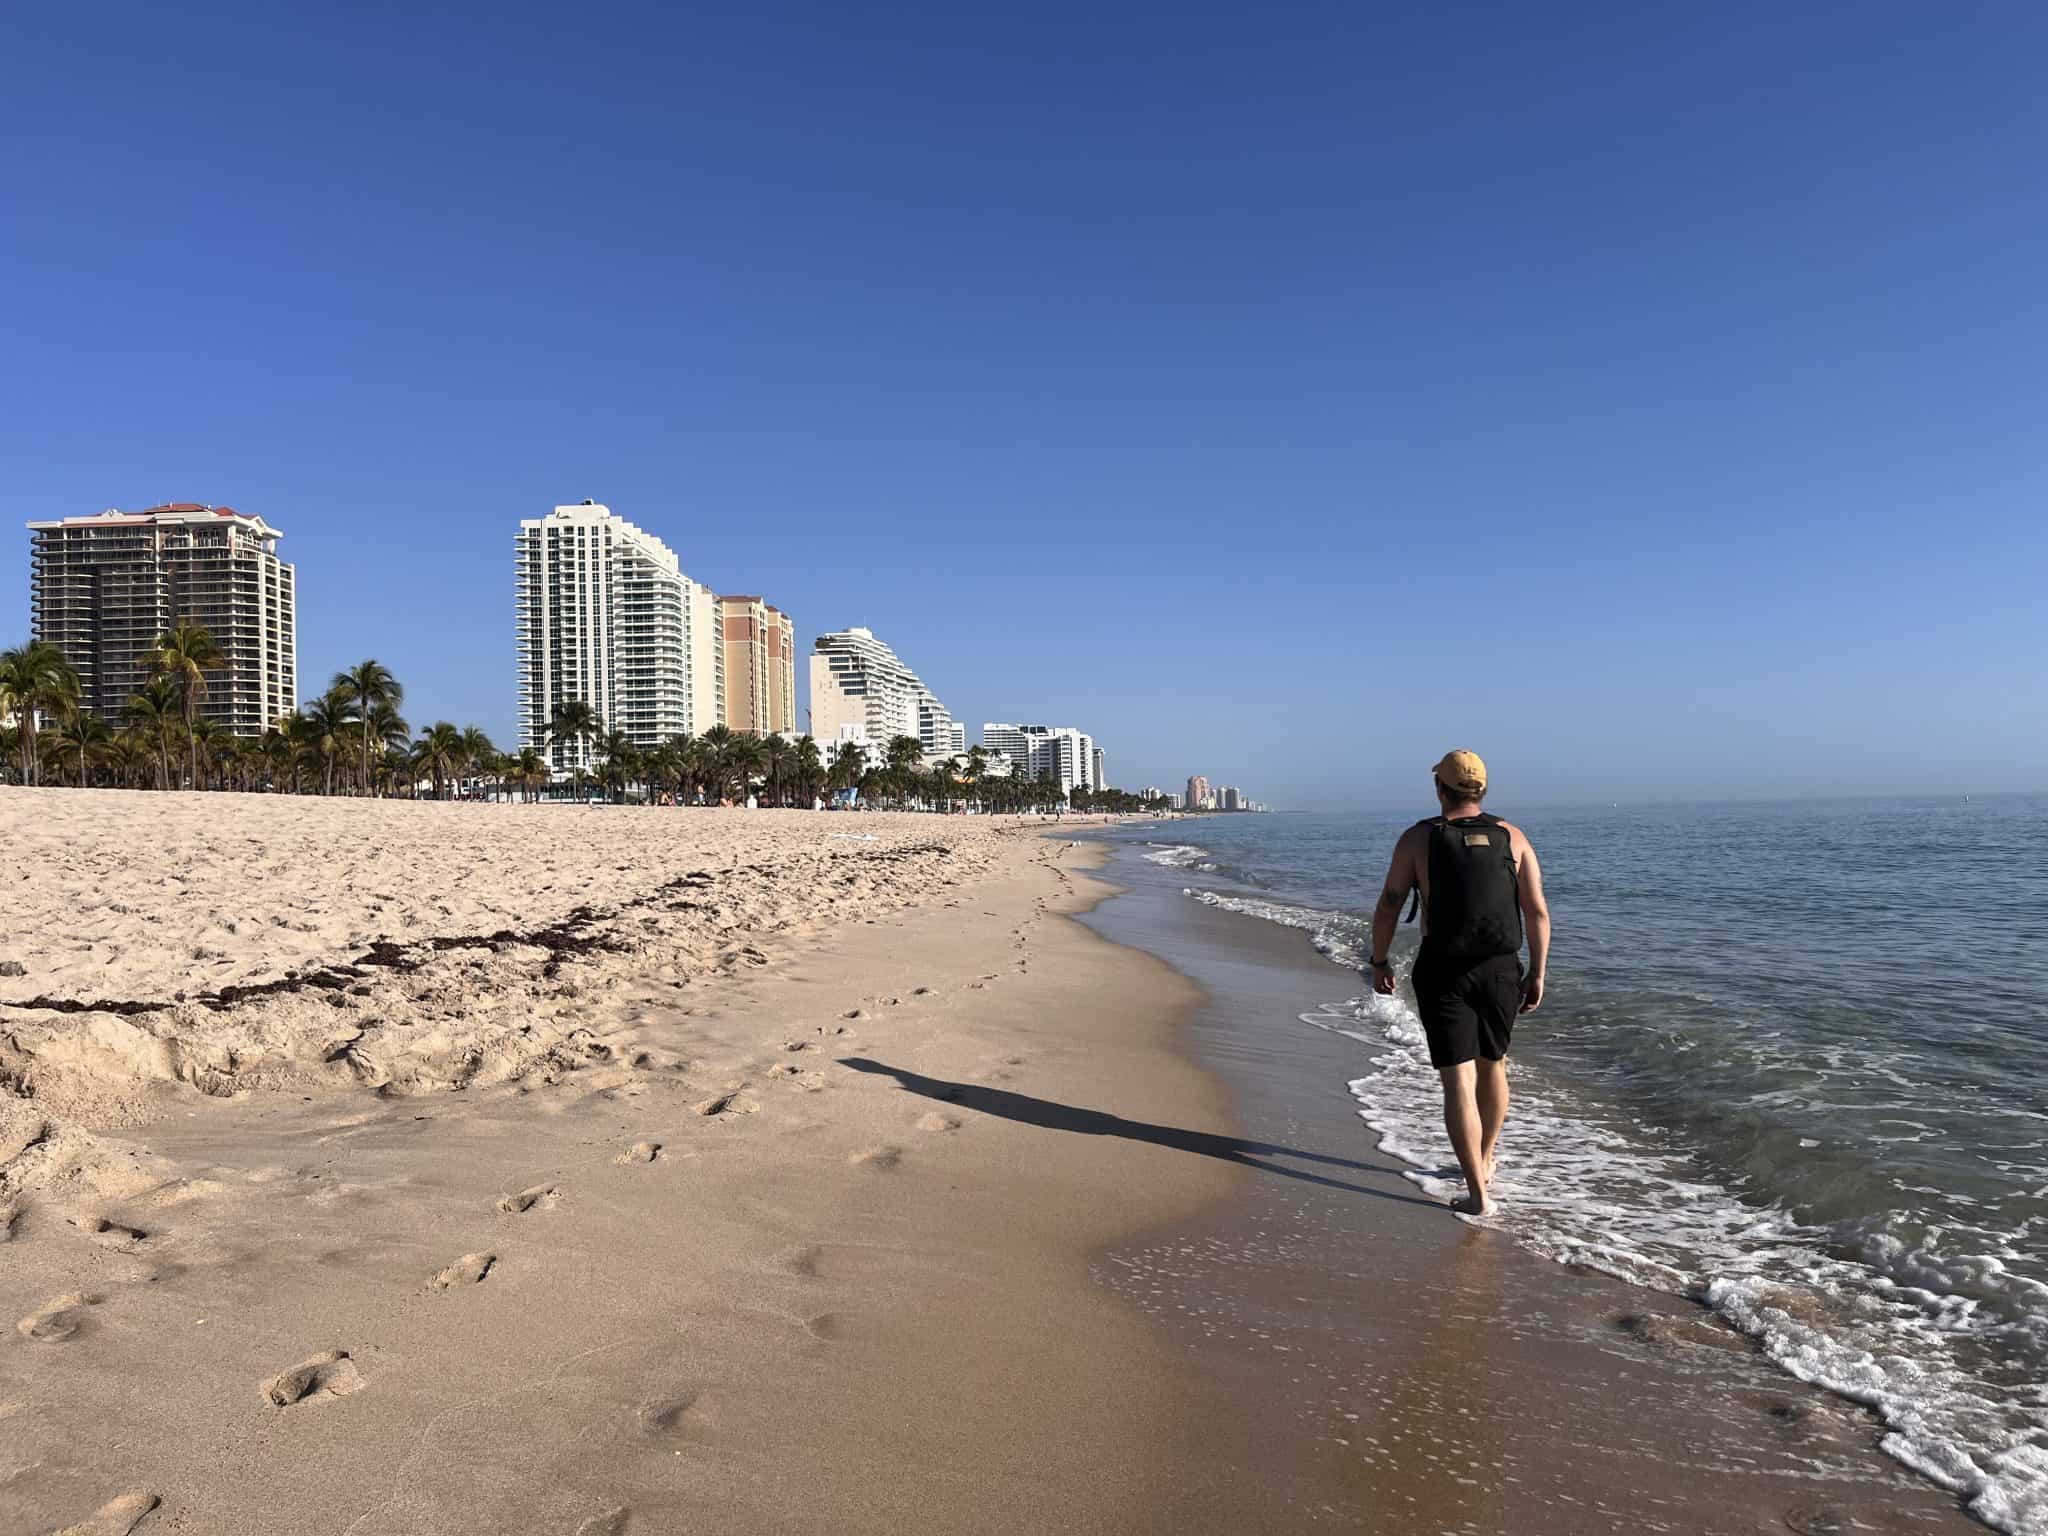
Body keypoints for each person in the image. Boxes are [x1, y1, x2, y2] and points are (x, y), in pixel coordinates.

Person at [1369, 750, 1549, 1216]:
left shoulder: (1418, 838)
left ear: (1440, 789)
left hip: (1443, 967)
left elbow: (1390, 903)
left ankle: (1478, 1194)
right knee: (1495, 1066)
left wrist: (1380, 960)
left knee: (1458, 1080)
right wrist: (1538, 973)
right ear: (1483, 789)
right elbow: (1537, 912)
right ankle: (1486, 1160)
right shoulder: (1513, 835)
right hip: (1502, 966)